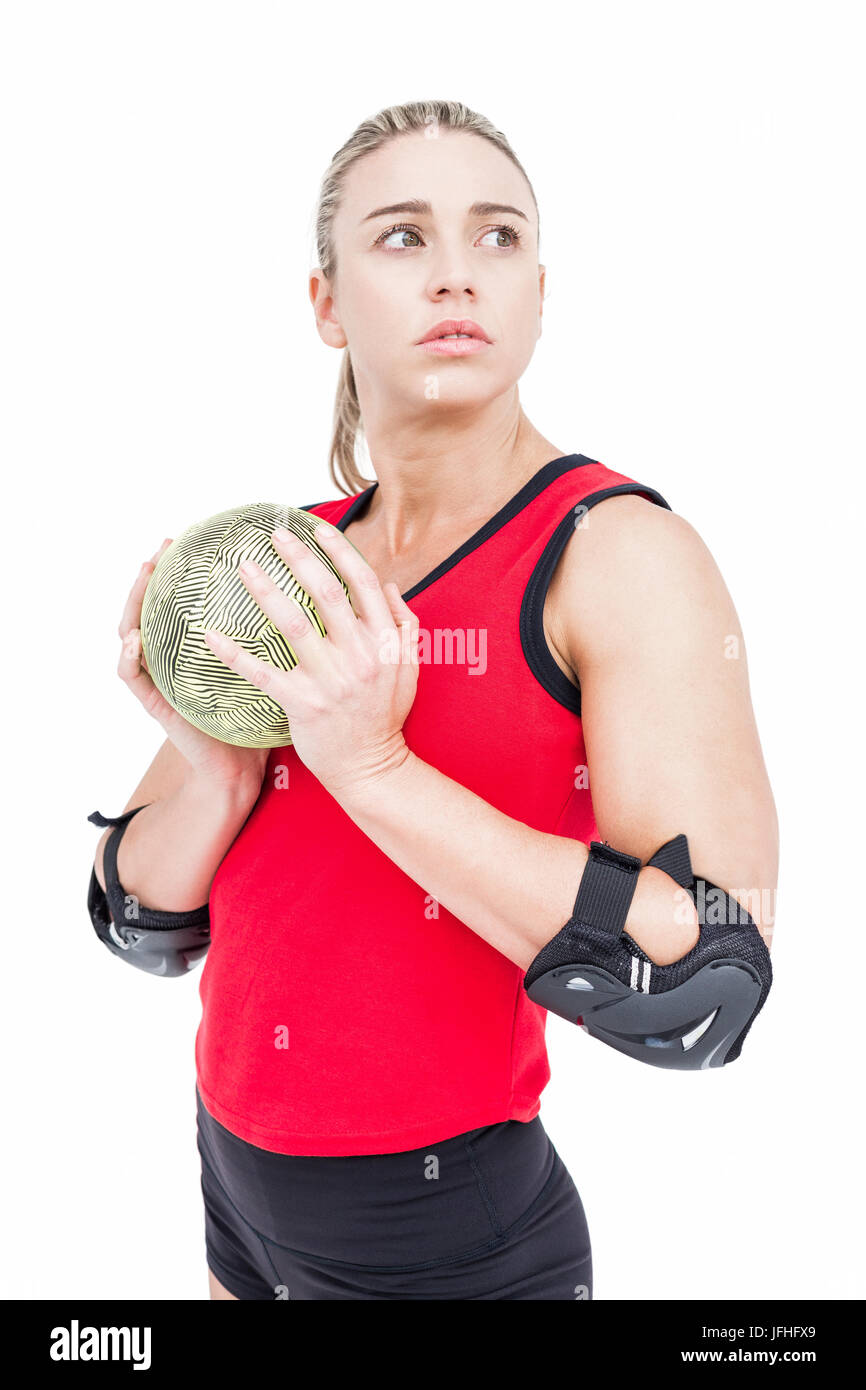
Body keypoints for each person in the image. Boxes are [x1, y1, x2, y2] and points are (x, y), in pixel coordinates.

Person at [91, 99, 778, 1300]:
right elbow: (140, 919)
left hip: (449, 1238)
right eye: (402, 237)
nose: (457, 272)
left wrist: (373, 768)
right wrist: (211, 771)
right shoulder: (285, 559)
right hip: (233, 1199)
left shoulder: (612, 552)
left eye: (497, 236)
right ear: (325, 303)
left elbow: (705, 979)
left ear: (539, 290)